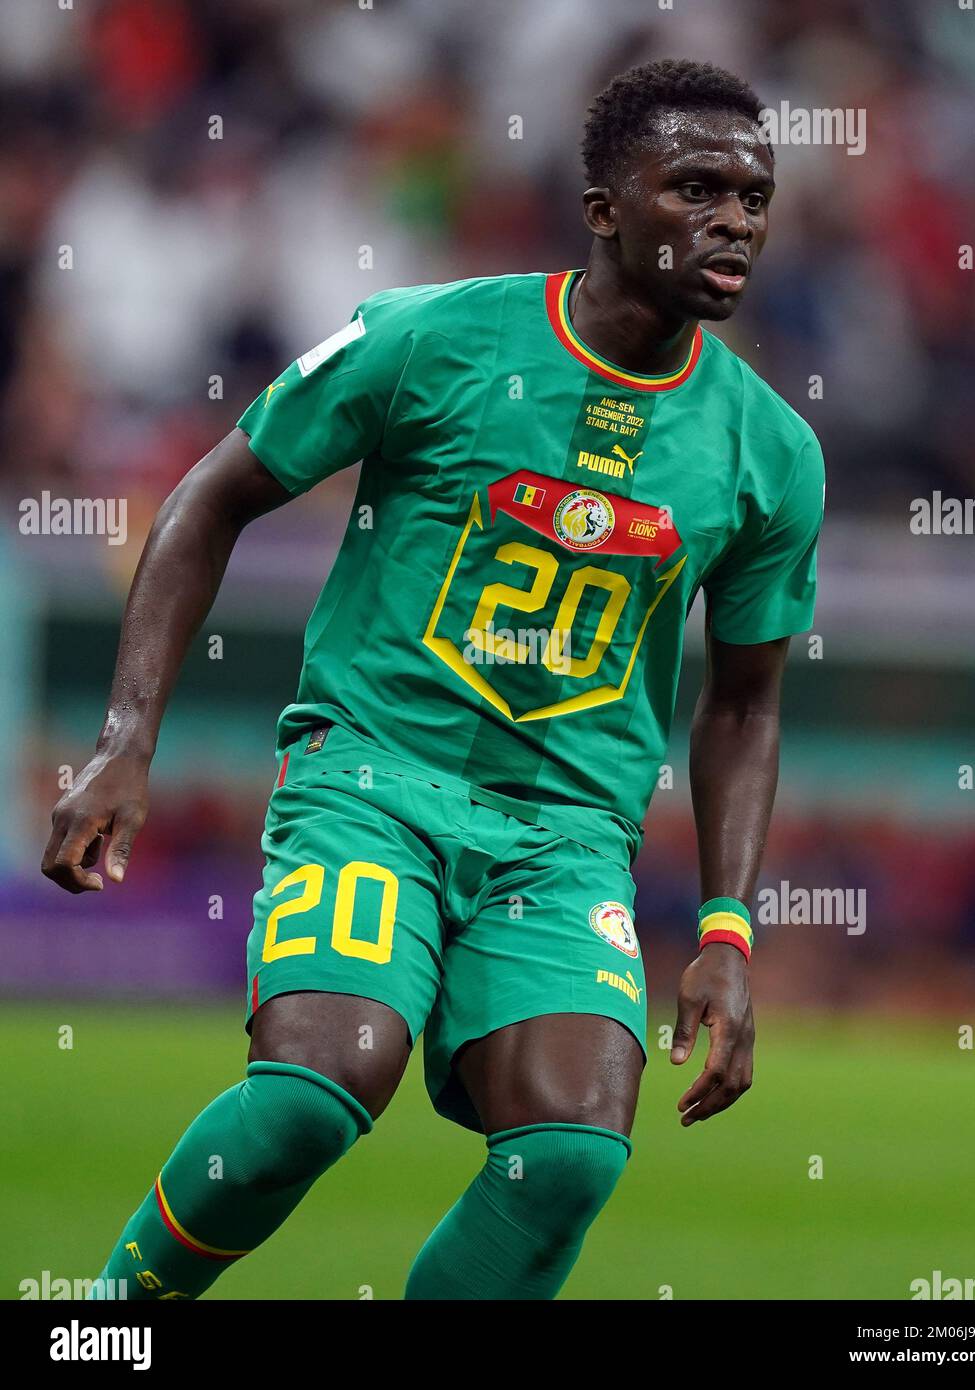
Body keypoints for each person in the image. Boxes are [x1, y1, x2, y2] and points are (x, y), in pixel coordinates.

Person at [43, 58, 824, 1301]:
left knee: (568, 1154)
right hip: (373, 778)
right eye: (694, 187)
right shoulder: (433, 336)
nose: (733, 219)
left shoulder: (771, 452)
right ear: (604, 204)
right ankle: (99, 1326)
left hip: (566, 837)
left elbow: (743, 703)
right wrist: (127, 735)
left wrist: (727, 929)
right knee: (313, 1091)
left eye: (752, 195)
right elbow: (210, 497)